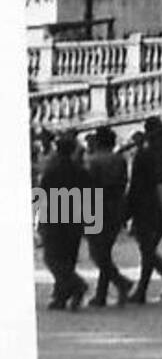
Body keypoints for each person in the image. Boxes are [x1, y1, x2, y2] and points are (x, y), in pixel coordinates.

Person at [124, 116, 162, 304]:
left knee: (147, 250)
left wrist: (127, 210)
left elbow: (136, 185)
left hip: (145, 208)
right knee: (148, 250)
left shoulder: (143, 155)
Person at [39, 132, 90, 311]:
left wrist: (40, 221)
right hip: (75, 217)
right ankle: (62, 295)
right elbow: (90, 196)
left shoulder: (51, 171)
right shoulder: (80, 171)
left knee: (52, 257)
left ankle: (76, 286)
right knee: (68, 258)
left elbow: (42, 196)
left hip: (55, 217)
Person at [84, 126, 133, 307]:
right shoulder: (119, 159)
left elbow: (88, 186)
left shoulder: (93, 161)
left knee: (97, 254)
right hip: (116, 207)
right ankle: (102, 294)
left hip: (97, 207)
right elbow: (123, 182)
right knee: (105, 252)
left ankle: (121, 283)